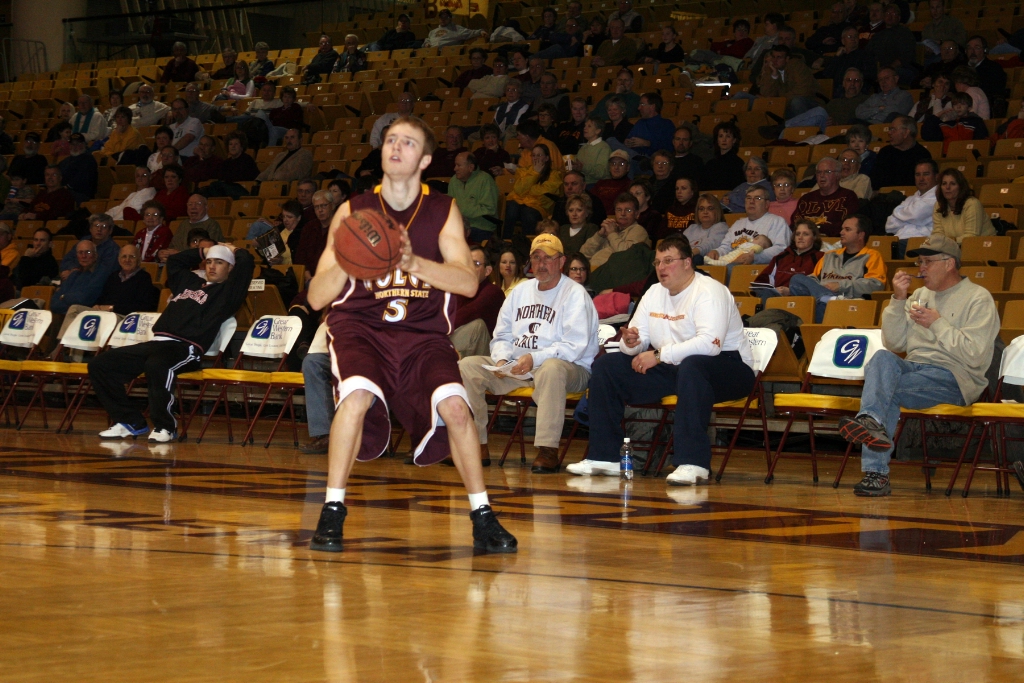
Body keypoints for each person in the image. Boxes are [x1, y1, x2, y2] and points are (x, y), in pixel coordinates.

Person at [304, 114, 516, 554]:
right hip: (361, 329)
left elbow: (468, 283)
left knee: (458, 408)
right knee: (357, 396)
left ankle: (483, 516)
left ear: (425, 160)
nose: (396, 147)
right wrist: (350, 256)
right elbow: (315, 298)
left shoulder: (442, 209)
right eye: (390, 141)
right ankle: (332, 511)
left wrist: (412, 262)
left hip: (422, 334)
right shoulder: (353, 210)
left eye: (408, 143)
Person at [569, 235, 756, 485]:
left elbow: (709, 345)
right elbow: (634, 340)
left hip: (728, 369)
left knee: (693, 366)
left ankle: (693, 463)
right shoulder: (654, 292)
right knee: (607, 366)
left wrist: (658, 355)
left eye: (668, 261)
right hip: (674, 368)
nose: (661, 268)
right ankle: (604, 457)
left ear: (688, 262)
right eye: (657, 262)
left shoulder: (710, 291)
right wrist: (630, 343)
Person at [837, 234, 998, 496]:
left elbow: (975, 354)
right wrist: (898, 299)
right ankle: (871, 422)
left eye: (927, 261)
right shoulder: (920, 295)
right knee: (880, 358)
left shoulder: (978, 298)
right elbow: (894, 343)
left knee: (883, 392)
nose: (920, 268)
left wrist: (937, 323)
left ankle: (876, 471)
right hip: (914, 369)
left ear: (949, 264)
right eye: (919, 262)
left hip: (955, 377)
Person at [460, 234, 598, 473]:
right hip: (519, 366)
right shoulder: (520, 292)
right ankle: (477, 445)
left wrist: (534, 358)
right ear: (530, 262)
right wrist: (502, 359)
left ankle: (548, 449)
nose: (542, 263)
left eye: (548, 258)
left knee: (551, 368)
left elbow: (573, 346)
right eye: (536, 257)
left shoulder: (575, 294)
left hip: (570, 368)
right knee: (468, 367)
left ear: (561, 261)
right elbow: (501, 335)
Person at [89, 243, 254, 442]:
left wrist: (234, 249)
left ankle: (165, 426)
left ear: (230, 268)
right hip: (156, 342)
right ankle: (129, 421)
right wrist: (203, 250)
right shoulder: (189, 282)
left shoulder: (228, 293)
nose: (212, 266)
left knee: (158, 365)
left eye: (219, 262)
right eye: (209, 261)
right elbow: (175, 261)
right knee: (100, 364)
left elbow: (247, 264)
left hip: (186, 347)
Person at [788, 215, 886, 322]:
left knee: (817, 308)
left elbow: (876, 285)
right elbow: (814, 279)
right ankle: (828, 299)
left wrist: (840, 286)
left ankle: (829, 300)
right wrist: (821, 290)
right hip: (822, 303)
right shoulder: (829, 255)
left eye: (847, 229)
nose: (841, 232)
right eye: (842, 229)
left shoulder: (872, 256)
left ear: (861, 235)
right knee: (797, 279)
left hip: (850, 305)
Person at [56, 244, 160, 339]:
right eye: (124, 256)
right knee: (75, 309)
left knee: (101, 320)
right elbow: (103, 297)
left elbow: (144, 306)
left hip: (125, 317)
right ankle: (64, 346)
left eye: (131, 257)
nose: (127, 260)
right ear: (119, 260)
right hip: (106, 313)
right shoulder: (114, 276)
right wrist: (97, 305)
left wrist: (112, 308)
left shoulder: (144, 278)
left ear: (138, 260)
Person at [705, 186, 790, 265]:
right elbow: (726, 247)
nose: (751, 201)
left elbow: (781, 249)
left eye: (757, 198)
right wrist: (716, 252)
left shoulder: (777, 222)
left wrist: (755, 257)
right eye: (748, 198)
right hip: (731, 262)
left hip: (757, 267)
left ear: (767, 204)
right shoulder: (738, 224)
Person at [450, 246, 505, 359]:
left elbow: (467, 314)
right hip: (465, 348)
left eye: (475, 263)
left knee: (476, 326)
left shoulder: (493, 292)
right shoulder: (459, 291)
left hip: (490, 355)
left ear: (487, 271)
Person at [751, 219, 825, 302]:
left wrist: (791, 291)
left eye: (805, 234)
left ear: (814, 237)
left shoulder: (821, 258)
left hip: (803, 301)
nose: (800, 237)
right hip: (777, 299)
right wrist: (775, 290)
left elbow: (820, 288)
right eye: (797, 234)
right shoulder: (781, 257)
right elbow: (761, 282)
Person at [503, 143, 562, 239]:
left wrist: (530, 187)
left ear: (546, 158)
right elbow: (519, 190)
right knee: (511, 207)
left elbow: (543, 193)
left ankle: (528, 244)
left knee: (528, 213)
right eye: (533, 155)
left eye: (539, 155)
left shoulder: (554, 175)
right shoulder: (524, 171)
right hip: (520, 203)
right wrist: (535, 173)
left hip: (538, 206)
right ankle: (506, 241)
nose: (536, 158)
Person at [792, 158, 861, 238]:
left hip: (835, 243)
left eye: (827, 172)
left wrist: (815, 229)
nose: (822, 175)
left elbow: (848, 226)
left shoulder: (848, 197)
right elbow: (794, 224)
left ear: (838, 175)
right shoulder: (806, 199)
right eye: (819, 172)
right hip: (805, 242)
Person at [582, 192, 650, 270]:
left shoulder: (638, 231)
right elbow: (584, 254)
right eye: (619, 210)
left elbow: (627, 255)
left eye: (628, 210)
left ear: (637, 214)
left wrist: (611, 234)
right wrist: (600, 235)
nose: (623, 214)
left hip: (616, 275)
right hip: (592, 271)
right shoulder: (611, 229)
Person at [887, 159, 940, 257]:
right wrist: (911, 220)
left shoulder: (938, 198)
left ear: (936, 176)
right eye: (917, 175)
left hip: (923, 242)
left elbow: (915, 215)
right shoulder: (910, 199)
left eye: (926, 174)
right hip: (900, 240)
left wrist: (899, 215)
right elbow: (889, 225)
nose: (921, 179)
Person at [931, 168, 996, 244]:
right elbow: (938, 233)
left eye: (952, 184)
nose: (947, 187)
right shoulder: (939, 205)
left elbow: (971, 236)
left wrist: (946, 243)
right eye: (944, 183)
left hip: (983, 246)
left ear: (960, 187)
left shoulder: (972, 204)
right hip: (953, 248)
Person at [869, 116, 933, 191]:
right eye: (890, 129)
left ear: (906, 132)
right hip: (885, 199)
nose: (889, 133)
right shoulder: (885, 153)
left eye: (893, 129)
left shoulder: (922, 154)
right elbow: (875, 182)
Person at [448, 152, 499, 243]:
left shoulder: (485, 180)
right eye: (455, 165)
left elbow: (489, 209)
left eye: (458, 165)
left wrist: (460, 210)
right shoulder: (453, 180)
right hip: (458, 225)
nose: (455, 169)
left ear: (470, 167)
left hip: (481, 227)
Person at [756, 45, 818, 119]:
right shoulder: (771, 69)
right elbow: (765, 93)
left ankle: (799, 128)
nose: (775, 60)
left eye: (779, 57)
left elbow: (802, 91)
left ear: (787, 59)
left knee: (796, 102)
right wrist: (774, 76)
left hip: (808, 102)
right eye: (773, 57)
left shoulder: (797, 66)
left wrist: (780, 100)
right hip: (783, 105)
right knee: (743, 97)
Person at [818, 27, 877, 97]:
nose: (853, 39)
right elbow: (827, 74)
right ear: (843, 41)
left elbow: (870, 76)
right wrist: (837, 56)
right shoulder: (840, 57)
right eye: (849, 36)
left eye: (855, 36)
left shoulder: (865, 55)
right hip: (835, 90)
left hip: (854, 90)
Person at [867, 4, 918, 85]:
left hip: (902, 69)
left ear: (899, 17)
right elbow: (869, 54)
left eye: (893, 14)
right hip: (881, 69)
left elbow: (906, 56)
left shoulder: (905, 33)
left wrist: (889, 69)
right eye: (887, 13)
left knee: (887, 76)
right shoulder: (878, 36)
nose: (890, 16)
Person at [623, 92, 675, 159]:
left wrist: (648, 143)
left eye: (642, 104)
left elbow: (669, 148)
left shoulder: (666, 124)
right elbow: (629, 138)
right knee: (611, 141)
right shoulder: (640, 123)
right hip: (634, 156)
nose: (639, 108)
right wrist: (627, 142)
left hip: (652, 159)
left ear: (652, 107)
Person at [966, 36, 1007, 110]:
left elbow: (995, 91)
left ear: (985, 50)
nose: (972, 51)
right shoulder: (960, 68)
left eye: (977, 47)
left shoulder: (994, 68)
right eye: (969, 48)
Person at [703, 121, 745, 191]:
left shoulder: (738, 163)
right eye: (721, 136)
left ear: (734, 140)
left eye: (728, 136)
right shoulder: (710, 164)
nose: (724, 140)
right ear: (717, 140)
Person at [58, 133, 99, 203]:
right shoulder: (64, 162)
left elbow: (82, 179)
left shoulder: (89, 160)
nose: (75, 147)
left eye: (78, 144)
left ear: (84, 144)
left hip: (82, 195)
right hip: (65, 192)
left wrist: (66, 187)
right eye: (72, 144)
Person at [591, 150, 633, 216]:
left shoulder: (631, 186)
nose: (616, 167)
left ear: (627, 168)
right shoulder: (600, 183)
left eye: (621, 164)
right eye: (613, 164)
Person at [576, 115, 611, 185]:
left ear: (597, 131)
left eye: (589, 126)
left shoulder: (604, 147)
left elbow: (601, 172)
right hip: (581, 184)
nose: (585, 128)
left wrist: (583, 167)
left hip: (596, 184)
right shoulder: (583, 147)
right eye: (585, 126)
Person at [421, 9, 487, 48]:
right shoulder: (432, 32)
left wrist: (480, 32)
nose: (443, 19)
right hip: (432, 53)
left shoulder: (456, 29)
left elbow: (470, 32)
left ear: (450, 19)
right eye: (441, 17)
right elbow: (428, 40)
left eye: (446, 17)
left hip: (446, 54)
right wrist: (427, 43)